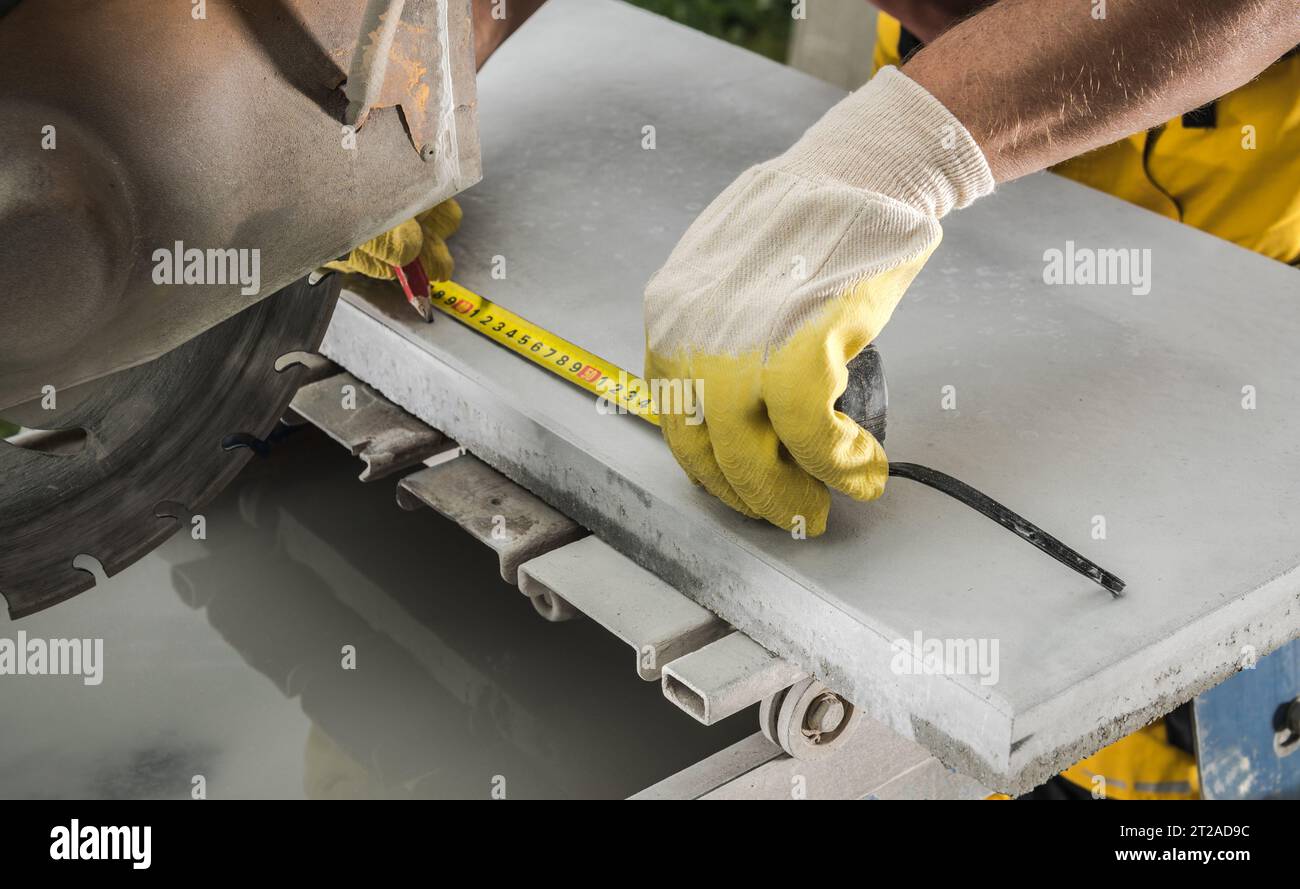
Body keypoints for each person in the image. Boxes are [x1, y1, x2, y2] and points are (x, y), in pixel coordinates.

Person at [338, 0, 1300, 799]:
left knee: (1151, 682)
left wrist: (886, 165)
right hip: (951, 120)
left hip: (1236, 225)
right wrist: (419, 92)